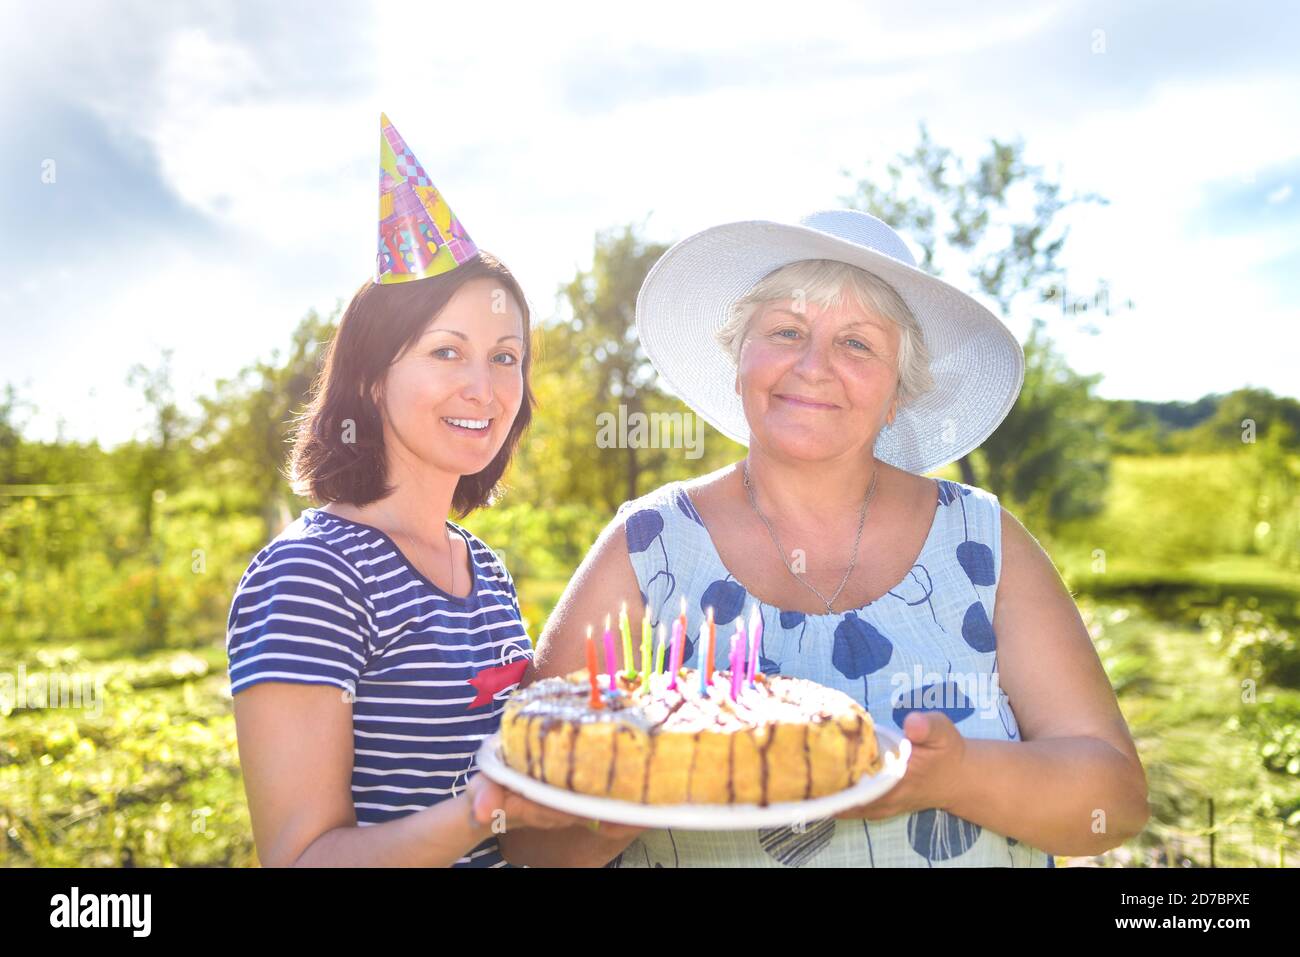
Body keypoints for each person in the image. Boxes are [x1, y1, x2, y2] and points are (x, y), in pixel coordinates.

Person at [501, 209, 1149, 867]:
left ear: (898, 391)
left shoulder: (982, 540)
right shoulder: (647, 544)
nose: (813, 366)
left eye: (858, 343)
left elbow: (1116, 802)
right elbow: (522, 829)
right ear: (738, 355)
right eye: (786, 330)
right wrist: (619, 807)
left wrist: (951, 776)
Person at [226, 114, 599, 866]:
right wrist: (484, 809)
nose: (482, 386)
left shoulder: (482, 568)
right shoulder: (311, 577)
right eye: (445, 351)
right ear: (370, 375)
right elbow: (301, 857)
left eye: (504, 356)